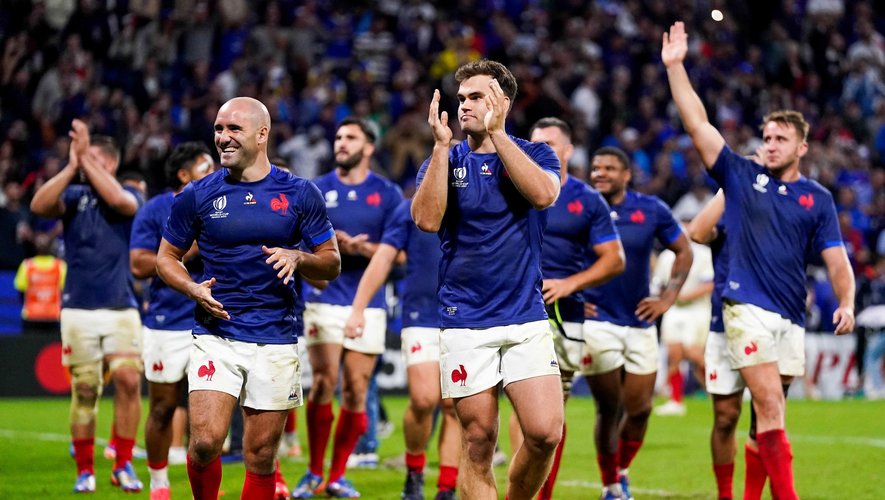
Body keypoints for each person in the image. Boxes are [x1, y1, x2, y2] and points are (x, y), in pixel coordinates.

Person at [664, 22, 856, 499]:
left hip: (789, 311)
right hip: (739, 306)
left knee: (764, 413)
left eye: (780, 139)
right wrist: (675, 68)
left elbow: (837, 260)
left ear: (802, 148)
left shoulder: (818, 199)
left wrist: (848, 301)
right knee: (753, 408)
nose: (769, 144)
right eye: (766, 137)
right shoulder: (742, 176)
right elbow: (698, 125)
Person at [156, 97, 341, 500]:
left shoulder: (300, 192)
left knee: (258, 456)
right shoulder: (196, 194)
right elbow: (166, 258)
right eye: (219, 128)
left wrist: (299, 256)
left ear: (262, 134)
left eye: (233, 129)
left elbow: (331, 263)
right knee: (205, 442)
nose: (222, 138)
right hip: (215, 334)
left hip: (276, 335)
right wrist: (191, 287)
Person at [412, 59, 564, 500]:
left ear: (504, 101)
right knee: (478, 441)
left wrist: (497, 135)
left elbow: (543, 195)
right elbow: (425, 219)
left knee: (544, 434)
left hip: (524, 315)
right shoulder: (444, 158)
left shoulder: (536, 153)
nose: (465, 105)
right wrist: (440, 149)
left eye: (476, 96)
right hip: (465, 320)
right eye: (462, 98)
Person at [507, 117, 625, 500]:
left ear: (569, 151)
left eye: (550, 144)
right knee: (516, 402)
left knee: (551, 412)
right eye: (534, 143)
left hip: (564, 315)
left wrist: (571, 284)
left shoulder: (586, 199)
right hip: (508, 307)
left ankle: (539, 494)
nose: (540, 150)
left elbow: (614, 259)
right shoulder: (509, 186)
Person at [30, 119, 145, 493]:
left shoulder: (129, 192)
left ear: (109, 163)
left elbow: (118, 202)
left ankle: (123, 463)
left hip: (120, 306)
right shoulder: (74, 194)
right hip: (78, 308)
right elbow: (38, 204)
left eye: (93, 157)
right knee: (84, 390)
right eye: (84, 157)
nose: (84, 162)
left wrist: (85, 158)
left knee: (128, 380)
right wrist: (70, 165)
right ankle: (84, 469)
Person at [291, 117, 403, 499]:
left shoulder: (387, 194)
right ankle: (313, 471)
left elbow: (401, 254)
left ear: (368, 147)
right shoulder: (316, 189)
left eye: (350, 137)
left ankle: (337, 474)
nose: (340, 142)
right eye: (338, 136)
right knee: (323, 382)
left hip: (368, 302)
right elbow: (298, 246)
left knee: (356, 389)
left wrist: (363, 249)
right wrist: (329, 248)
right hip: (324, 298)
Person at [581, 146, 693, 500]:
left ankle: (622, 470)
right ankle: (611, 485)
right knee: (609, 408)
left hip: (641, 322)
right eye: (596, 168)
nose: (600, 173)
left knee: (641, 409)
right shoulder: (578, 207)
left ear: (626, 174)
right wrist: (573, 299)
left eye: (609, 168)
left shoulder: (651, 209)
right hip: (597, 322)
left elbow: (684, 250)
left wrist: (669, 297)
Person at [344, 196, 461, 500]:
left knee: (454, 406)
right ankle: (415, 470)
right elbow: (383, 257)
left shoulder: (475, 200)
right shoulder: (411, 208)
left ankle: (447, 487)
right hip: (421, 313)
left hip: (468, 314)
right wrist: (358, 308)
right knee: (424, 400)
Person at [129, 141, 215, 500]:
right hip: (166, 322)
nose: (214, 174)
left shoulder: (223, 205)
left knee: (209, 417)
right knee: (163, 408)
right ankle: (159, 484)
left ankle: (206, 486)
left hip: (212, 322)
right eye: (204, 168)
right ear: (183, 175)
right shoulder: (155, 209)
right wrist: (184, 249)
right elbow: (138, 264)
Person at [652, 225, 715, 417]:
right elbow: (659, 284)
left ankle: (716, 391)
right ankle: (676, 400)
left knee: (694, 354)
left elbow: (710, 283)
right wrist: (666, 299)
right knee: (674, 354)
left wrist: (687, 295)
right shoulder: (666, 256)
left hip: (697, 309)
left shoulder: (703, 254)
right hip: (674, 308)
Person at [14, 230, 66, 334]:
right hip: (46, 317)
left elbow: (20, 292)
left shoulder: (27, 265)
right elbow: (64, 292)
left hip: (40, 317)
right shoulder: (60, 266)